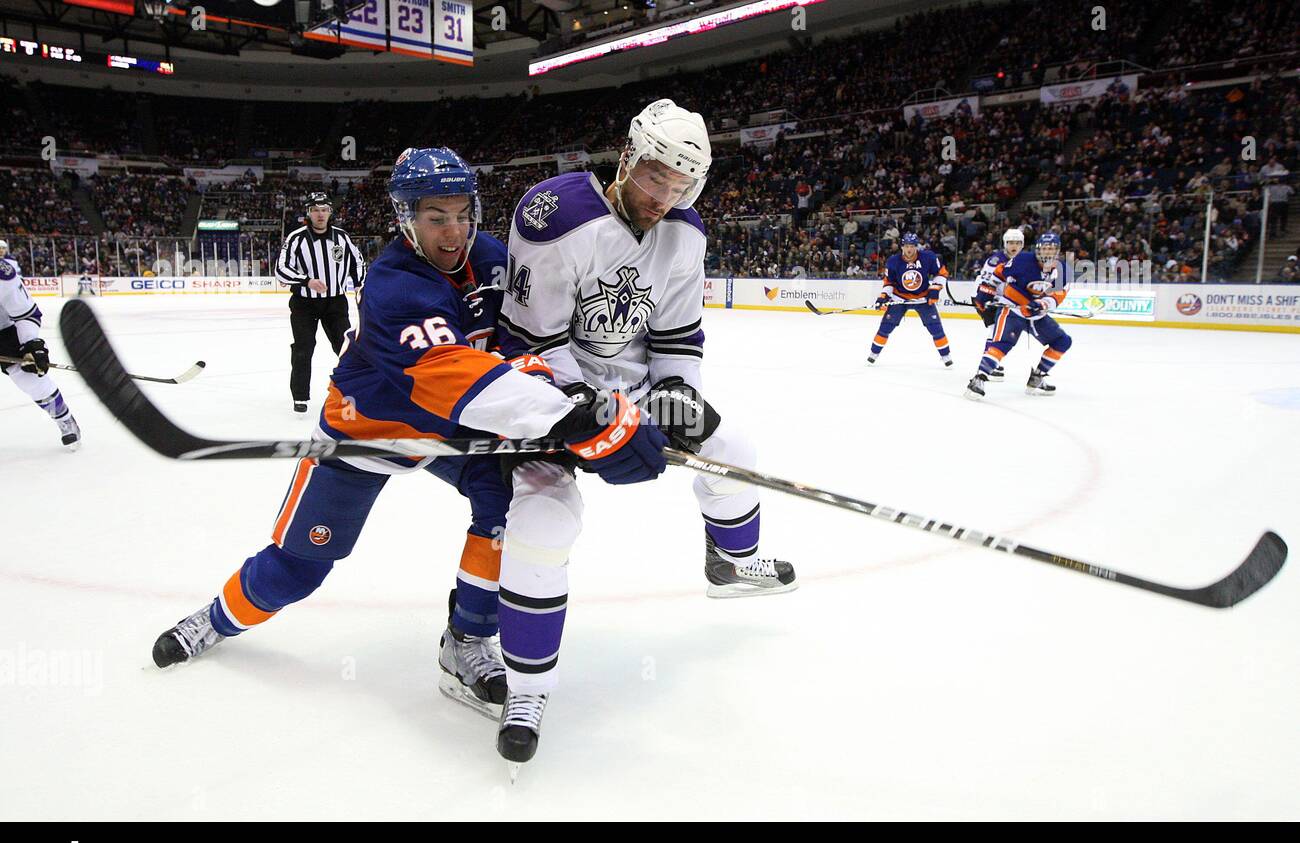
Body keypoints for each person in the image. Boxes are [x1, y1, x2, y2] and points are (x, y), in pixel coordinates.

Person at [151, 149, 668, 764]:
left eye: (460, 214)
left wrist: (577, 401)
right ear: (405, 219)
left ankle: (467, 641)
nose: (452, 232)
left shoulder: (494, 262)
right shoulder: (394, 285)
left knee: (503, 503)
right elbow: (451, 376)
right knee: (298, 567)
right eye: (434, 218)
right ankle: (216, 618)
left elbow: (521, 343)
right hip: (367, 435)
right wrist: (569, 419)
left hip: (452, 435)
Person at [496, 99, 798, 759]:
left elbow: (677, 334)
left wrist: (673, 392)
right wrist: (585, 412)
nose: (665, 195)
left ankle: (731, 559)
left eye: (682, 184)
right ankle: (526, 687)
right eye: (656, 175)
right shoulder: (554, 217)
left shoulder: (686, 235)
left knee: (734, 449)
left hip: (633, 385)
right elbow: (532, 338)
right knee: (542, 524)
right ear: (627, 157)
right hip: (547, 386)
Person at [274, 192, 367, 414]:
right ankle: (300, 397)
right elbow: (281, 269)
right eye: (315, 210)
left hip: (335, 303)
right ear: (308, 213)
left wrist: (361, 286)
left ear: (330, 212)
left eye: (324, 209)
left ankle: (356, 390)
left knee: (346, 349)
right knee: (303, 349)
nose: (320, 214)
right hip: (304, 304)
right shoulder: (296, 238)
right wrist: (307, 281)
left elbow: (358, 262)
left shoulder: (342, 237)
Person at [965, 231, 1074, 401]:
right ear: (1038, 249)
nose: (1047, 252)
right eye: (1044, 248)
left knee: (1062, 341)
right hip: (1012, 310)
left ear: (1057, 250)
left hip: (1036, 315)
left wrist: (1041, 304)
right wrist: (985, 293)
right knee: (1002, 344)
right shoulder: (1023, 260)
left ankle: (1037, 377)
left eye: (1051, 248)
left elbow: (1057, 295)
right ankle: (978, 380)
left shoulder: (1063, 270)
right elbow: (999, 273)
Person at [0, 238, 80, 449]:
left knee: (28, 378)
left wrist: (31, 344)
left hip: (4, 329)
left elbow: (27, 314)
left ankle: (64, 419)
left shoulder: (3, 276)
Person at [867, 232, 952, 367]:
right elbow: (889, 282)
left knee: (935, 328)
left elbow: (941, 273)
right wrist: (883, 296)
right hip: (899, 298)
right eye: (907, 246)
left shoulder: (928, 257)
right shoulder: (893, 261)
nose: (909, 249)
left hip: (922, 298)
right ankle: (873, 353)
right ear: (902, 247)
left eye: (912, 246)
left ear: (916, 247)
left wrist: (935, 289)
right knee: (886, 327)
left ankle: (946, 355)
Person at [968, 227, 1028, 382]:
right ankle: (988, 365)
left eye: (1017, 243)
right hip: (984, 297)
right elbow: (986, 282)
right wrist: (983, 299)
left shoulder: (1023, 261)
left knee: (998, 330)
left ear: (1022, 244)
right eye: (1010, 243)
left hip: (1000, 299)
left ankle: (989, 362)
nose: (1013, 246)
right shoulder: (996, 260)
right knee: (995, 330)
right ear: (1005, 244)